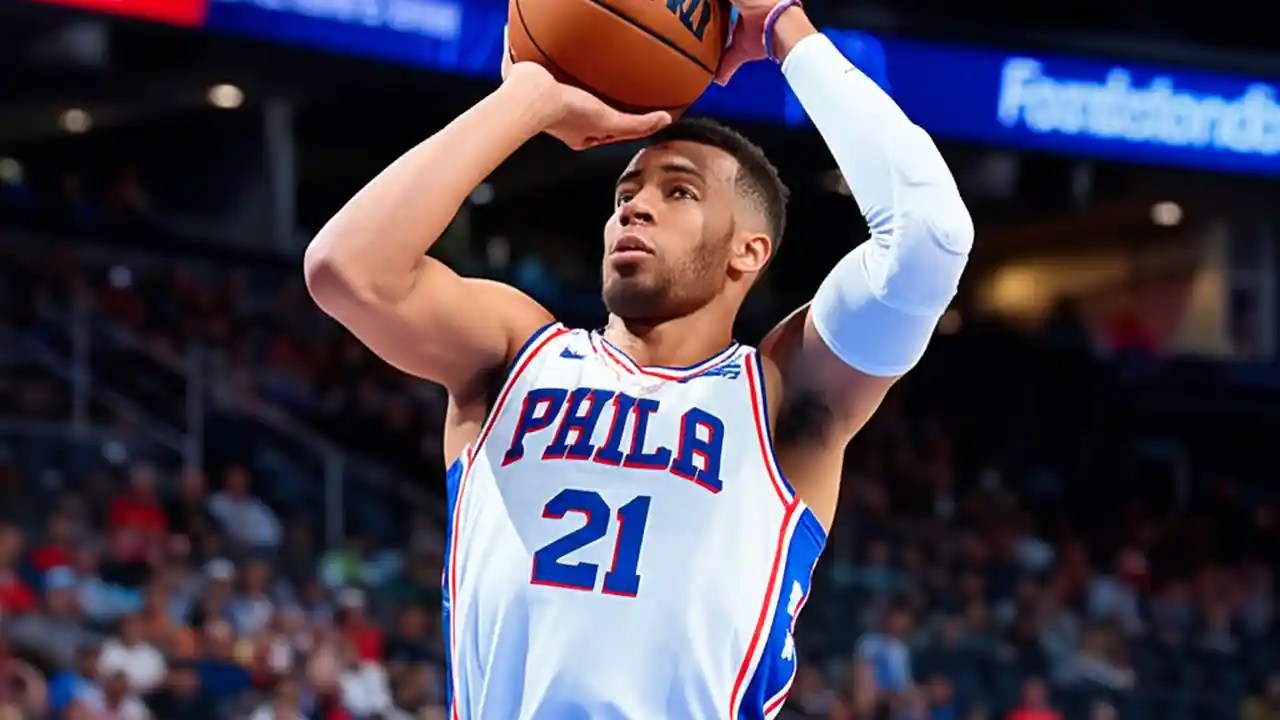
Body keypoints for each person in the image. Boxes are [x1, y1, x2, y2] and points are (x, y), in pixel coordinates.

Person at [304, 0, 972, 716]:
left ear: (749, 252)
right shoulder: (515, 352)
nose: (635, 207)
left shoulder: (783, 395)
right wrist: (528, 97)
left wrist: (786, 30)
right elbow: (346, 269)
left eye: (677, 190)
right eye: (625, 192)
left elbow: (930, 237)